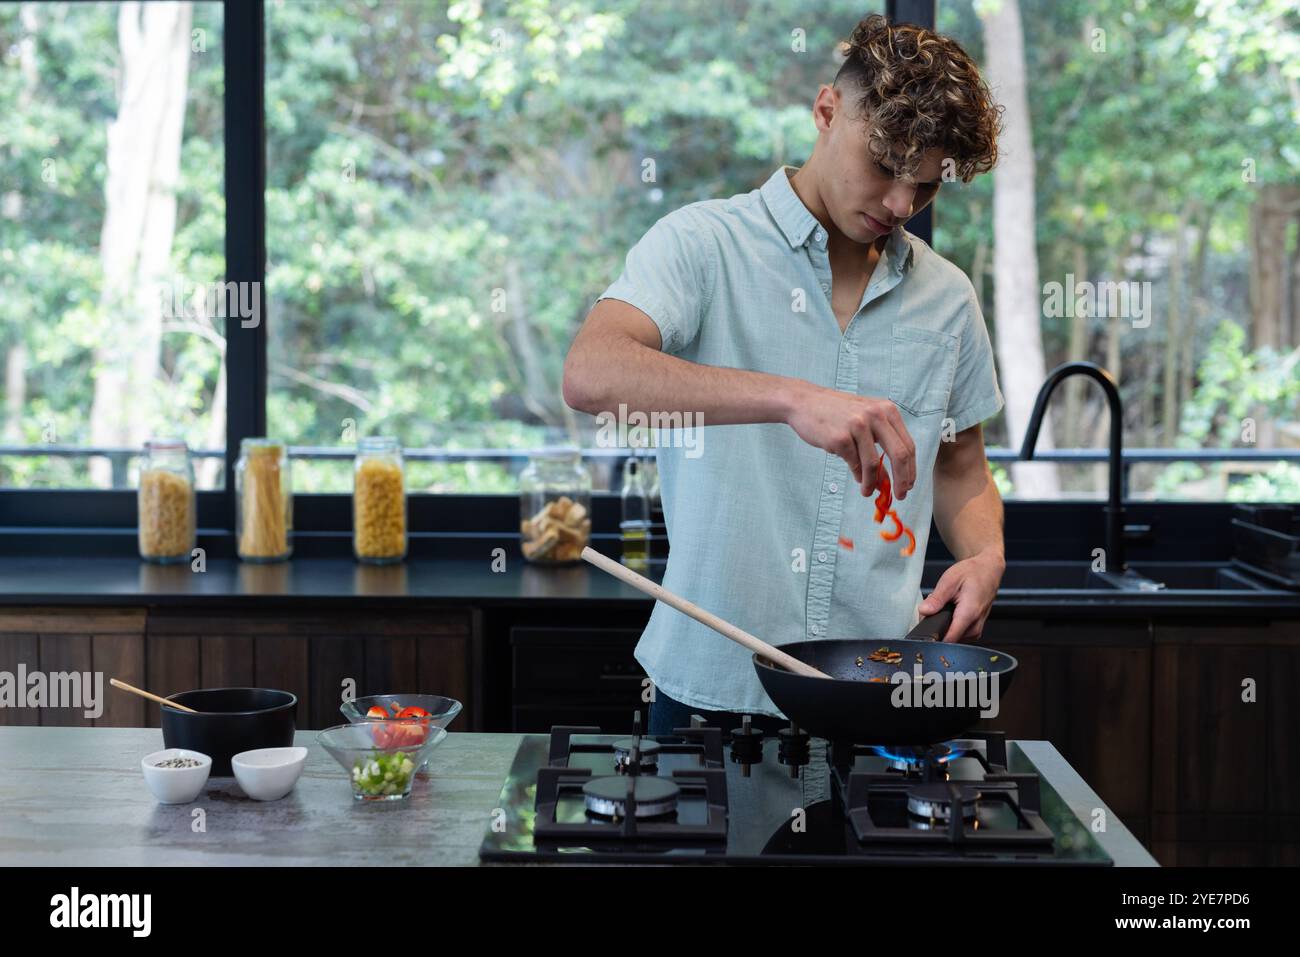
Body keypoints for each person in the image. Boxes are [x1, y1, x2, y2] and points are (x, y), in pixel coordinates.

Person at [563, 14, 1008, 735]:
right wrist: (789, 397)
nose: (901, 205)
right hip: (709, 694)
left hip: (882, 694)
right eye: (886, 168)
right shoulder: (702, 245)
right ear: (827, 112)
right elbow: (590, 375)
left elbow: (962, 467)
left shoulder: (948, 296)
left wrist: (986, 553)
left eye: (925, 187)